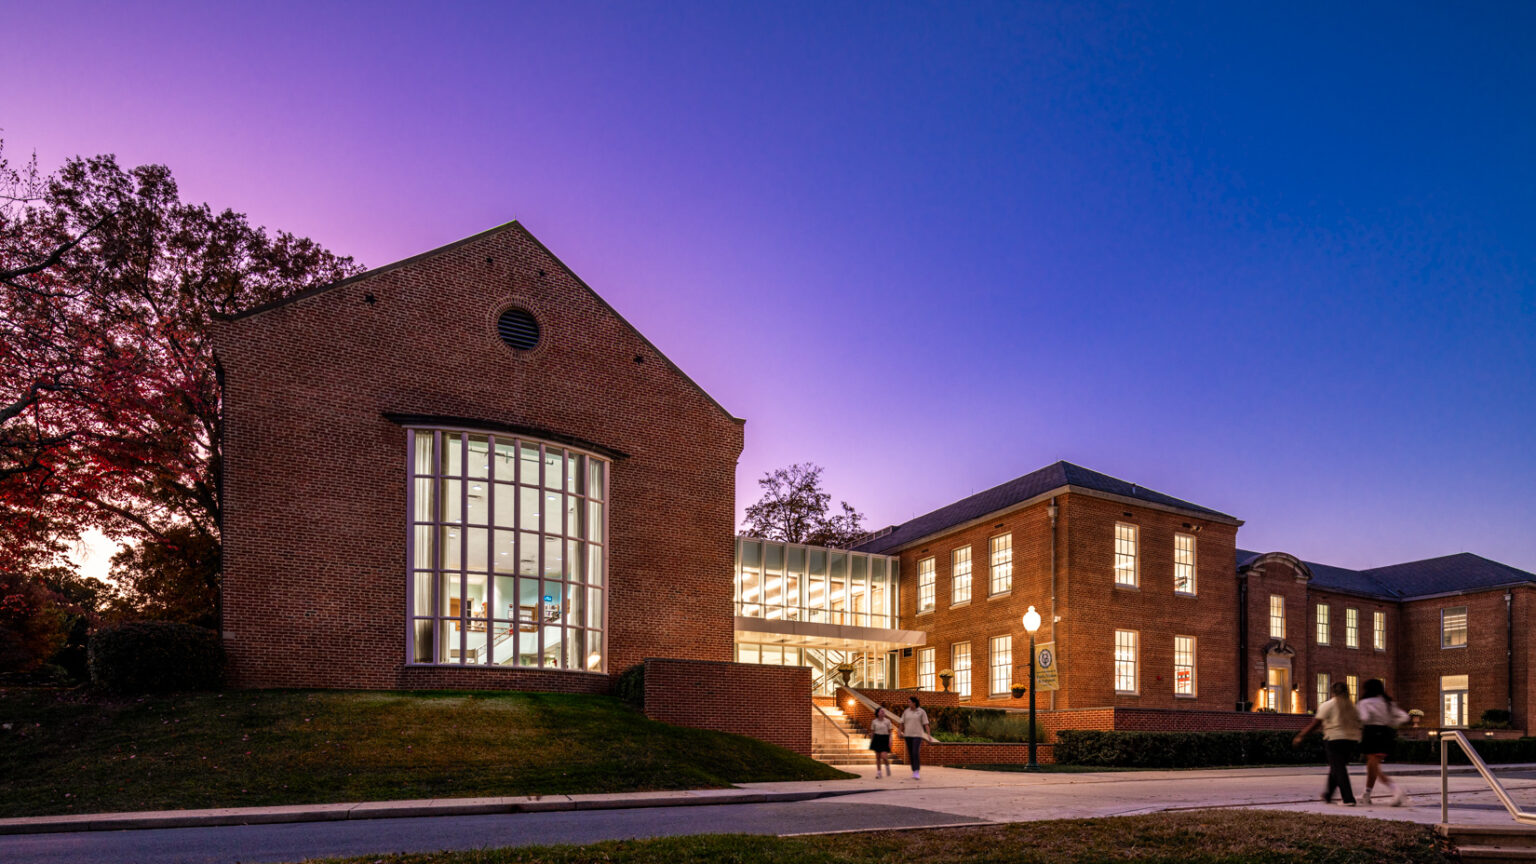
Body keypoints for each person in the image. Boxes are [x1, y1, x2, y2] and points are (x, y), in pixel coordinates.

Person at [1294, 681, 1363, 806]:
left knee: (1339, 768)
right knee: (1337, 766)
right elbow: (1360, 723)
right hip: (1351, 740)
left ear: (1333, 692)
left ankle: (1348, 798)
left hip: (1334, 739)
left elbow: (1316, 723)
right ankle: (1328, 795)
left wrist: (1301, 735)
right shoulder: (1353, 707)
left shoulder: (1329, 705)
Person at [1357, 678, 1410, 805]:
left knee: (1374, 766)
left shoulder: (1365, 703)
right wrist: (1391, 722)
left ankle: (1396, 790)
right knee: (1372, 765)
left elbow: (1364, 717)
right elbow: (1405, 716)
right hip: (1385, 733)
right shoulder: (1388, 703)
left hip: (1370, 733)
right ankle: (1366, 794)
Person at [899, 696, 931, 779]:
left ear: (914, 703)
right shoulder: (906, 712)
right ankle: (914, 770)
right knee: (911, 753)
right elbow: (902, 723)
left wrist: (929, 735)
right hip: (908, 735)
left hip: (917, 735)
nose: (908, 703)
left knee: (915, 752)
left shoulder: (921, 712)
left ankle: (917, 771)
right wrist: (899, 732)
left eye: (909, 702)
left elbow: (926, 724)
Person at [868, 706, 894, 778]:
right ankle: (879, 773)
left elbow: (890, 732)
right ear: (878, 713)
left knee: (884, 756)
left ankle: (887, 766)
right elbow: (872, 732)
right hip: (877, 738)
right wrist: (871, 741)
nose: (883, 712)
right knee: (878, 757)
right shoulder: (874, 721)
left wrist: (890, 740)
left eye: (883, 711)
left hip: (885, 739)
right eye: (881, 711)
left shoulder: (887, 721)